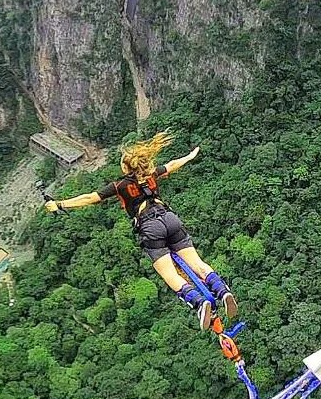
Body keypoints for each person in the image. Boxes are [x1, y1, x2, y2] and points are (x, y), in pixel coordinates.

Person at [44, 132, 237, 331]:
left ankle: (198, 302)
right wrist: (190, 156)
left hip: (150, 227)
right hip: (170, 218)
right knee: (197, 264)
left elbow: (90, 198)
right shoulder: (152, 175)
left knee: (169, 274)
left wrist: (59, 204)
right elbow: (171, 165)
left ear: (126, 168)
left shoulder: (120, 185)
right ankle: (222, 291)